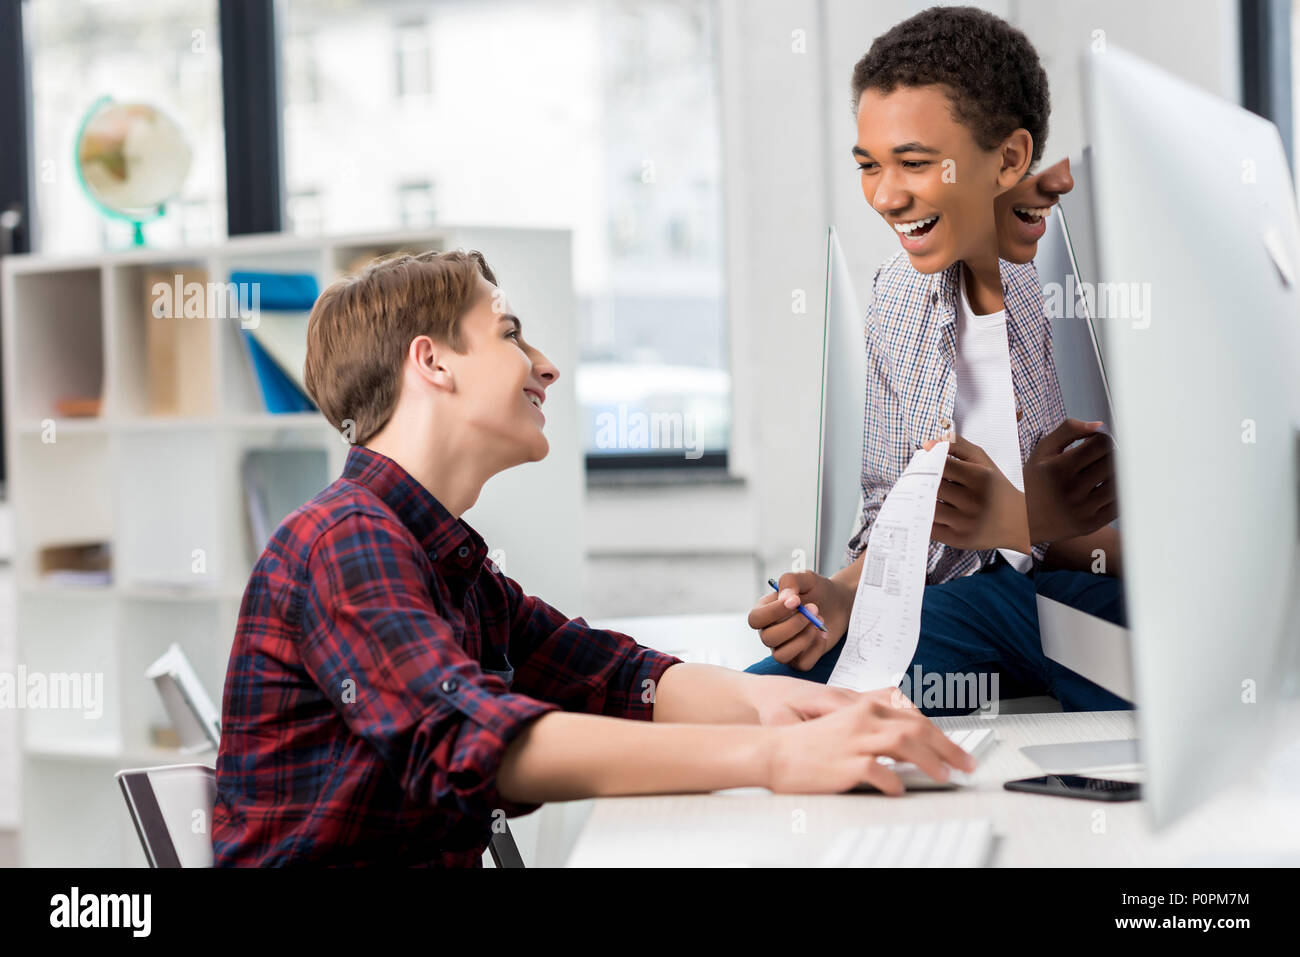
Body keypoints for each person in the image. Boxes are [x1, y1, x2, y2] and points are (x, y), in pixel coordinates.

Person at [211, 249, 975, 866]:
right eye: (510, 333)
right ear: (434, 363)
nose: (545, 366)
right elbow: (476, 740)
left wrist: (791, 705)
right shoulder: (343, 541)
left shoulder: (447, 562)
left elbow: (613, 675)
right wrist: (771, 755)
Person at [745, 7, 1127, 715]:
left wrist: (1022, 519)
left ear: (1009, 160)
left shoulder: (1099, 286)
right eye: (869, 166)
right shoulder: (900, 293)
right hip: (976, 604)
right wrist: (842, 593)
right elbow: (895, 513)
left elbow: (1207, 554)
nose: (887, 196)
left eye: (915, 163)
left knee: (1153, 699)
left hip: (1111, 604)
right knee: (777, 697)